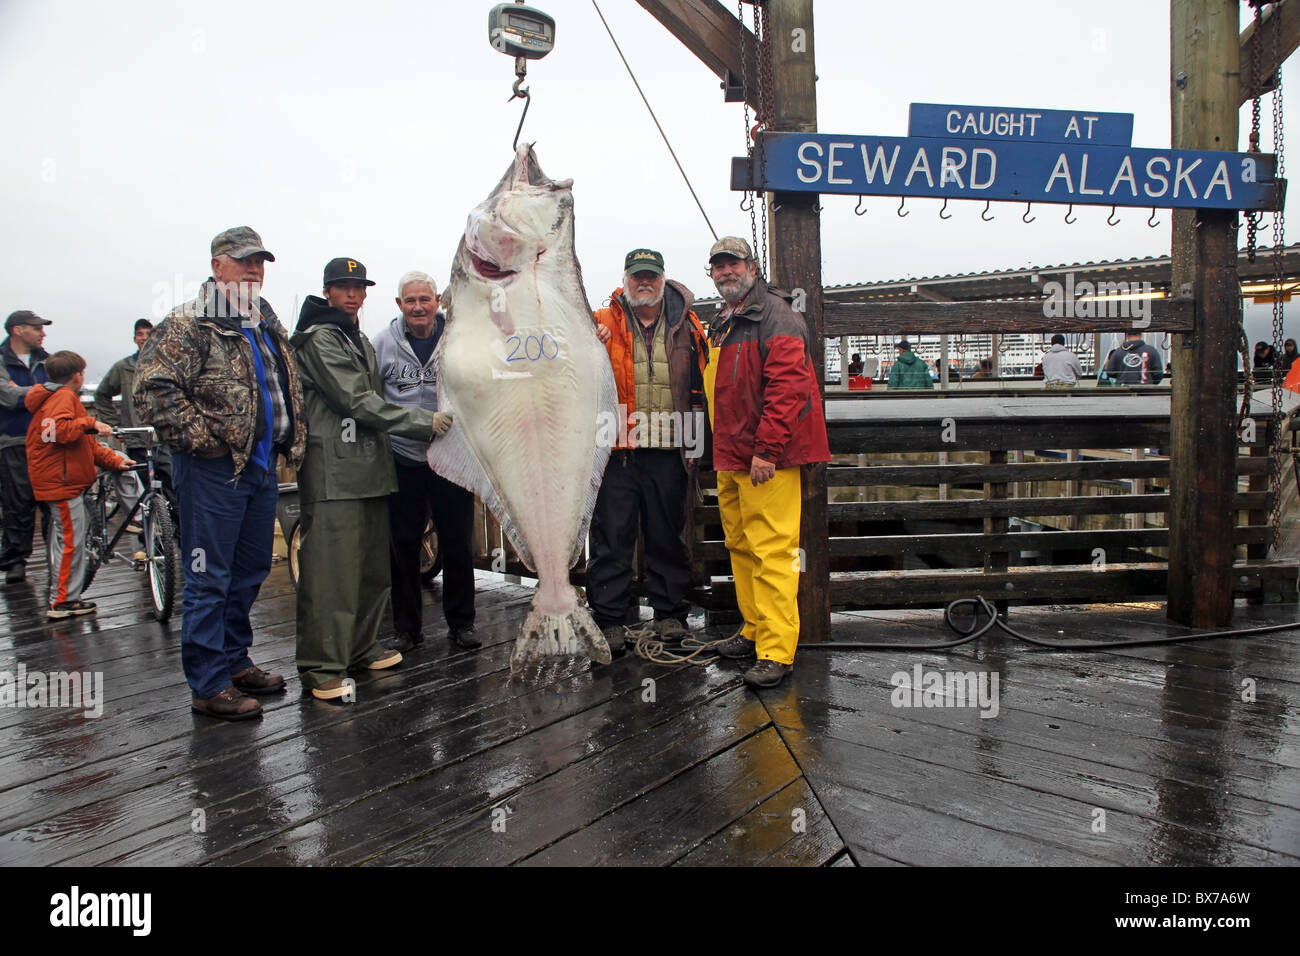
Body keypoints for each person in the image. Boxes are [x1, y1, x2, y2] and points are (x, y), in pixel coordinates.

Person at [134, 226, 307, 721]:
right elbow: (154, 391)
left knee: (250, 570)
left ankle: (234, 661)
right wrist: (207, 442)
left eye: (260, 262)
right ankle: (208, 683)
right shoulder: (188, 323)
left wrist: (290, 440)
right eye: (244, 261)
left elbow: (280, 387)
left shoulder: (266, 323)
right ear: (217, 266)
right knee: (208, 575)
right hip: (214, 472)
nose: (254, 270)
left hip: (262, 468)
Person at [291, 257, 446, 701]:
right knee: (331, 574)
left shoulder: (355, 336)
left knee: (371, 569)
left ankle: (361, 647)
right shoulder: (320, 339)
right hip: (334, 473)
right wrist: (424, 422)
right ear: (327, 292)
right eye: (343, 287)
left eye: (359, 287)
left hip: (371, 471)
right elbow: (355, 400)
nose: (353, 294)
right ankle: (322, 667)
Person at [702, 237, 830, 689]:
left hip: (764, 460)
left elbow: (789, 389)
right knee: (740, 545)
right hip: (731, 457)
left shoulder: (778, 315)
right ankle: (754, 629)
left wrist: (767, 451)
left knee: (773, 551)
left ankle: (777, 651)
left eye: (732, 264)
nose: (725, 272)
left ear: (752, 267)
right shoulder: (723, 320)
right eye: (717, 267)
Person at [588, 248, 708, 654]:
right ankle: (609, 618)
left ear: (662, 279)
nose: (644, 282)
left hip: (669, 447)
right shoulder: (601, 320)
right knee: (611, 537)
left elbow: (701, 388)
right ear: (625, 278)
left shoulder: (688, 325)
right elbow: (564, 356)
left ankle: (669, 613)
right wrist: (589, 340)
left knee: (666, 534)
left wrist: (696, 444)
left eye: (651, 276)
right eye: (637, 275)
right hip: (616, 447)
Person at [374, 270, 478, 654]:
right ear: (399, 304)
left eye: (425, 299)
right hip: (403, 459)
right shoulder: (382, 344)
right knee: (402, 545)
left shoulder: (459, 339)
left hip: (451, 458)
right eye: (410, 300)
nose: (418, 307)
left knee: (457, 543)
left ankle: (462, 623)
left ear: (438, 302)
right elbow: (371, 400)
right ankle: (406, 628)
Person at [24, 351, 132, 618]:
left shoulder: (55, 397)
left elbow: (83, 445)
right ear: (78, 376)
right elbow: (54, 432)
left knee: (70, 539)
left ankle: (67, 597)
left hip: (62, 480)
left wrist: (112, 460)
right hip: (61, 483)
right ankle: (62, 601)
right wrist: (91, 422)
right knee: (71, 541)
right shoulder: (63, 397)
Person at [95, 318, 172, 532]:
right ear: (134, 338)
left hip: (163, 438)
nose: (144, 338)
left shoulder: (164, 364)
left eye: (148, 333)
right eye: (140, 334)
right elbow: (101, 395)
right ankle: (147, 542)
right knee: (142, 494)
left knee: (172, 486)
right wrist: (115, 425)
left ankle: (174, 536)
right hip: (137, 440)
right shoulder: (123, 368)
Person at [0, 310, 52, 584]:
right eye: (37, 328)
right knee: (17, 501)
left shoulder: (47, 359)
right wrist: (44, 391)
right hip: (14, 440)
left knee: (50, 501)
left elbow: (64, 390)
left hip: (47, 439)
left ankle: (56, 557)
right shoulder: (1, 360)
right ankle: (15, 561)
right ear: (18, 330)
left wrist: (27, 393)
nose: (43, 333)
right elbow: (6, 397)